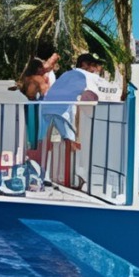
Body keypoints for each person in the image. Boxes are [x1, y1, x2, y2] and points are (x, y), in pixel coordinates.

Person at [39, 51, 107, 183]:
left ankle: (45, 175)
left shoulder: (68, 74)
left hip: (47, 108)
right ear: (84, 64)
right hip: (62, 111)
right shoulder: (85, 75)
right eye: (93, 65)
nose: (95, 69)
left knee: (46, 144)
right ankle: (73, 177)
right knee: (71, 143)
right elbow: (93, 97)